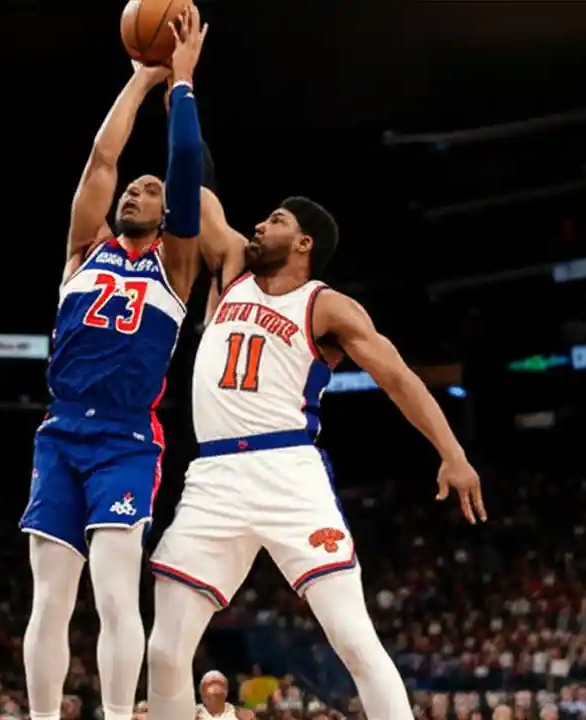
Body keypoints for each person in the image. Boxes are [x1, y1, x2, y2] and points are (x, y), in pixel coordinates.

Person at [146, 193, 486, 720]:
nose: (258, 225)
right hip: (212, 477)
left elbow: (397, 377)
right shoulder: (233, 267)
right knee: (165, 649)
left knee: (353, 638)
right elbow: (200, 194)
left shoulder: (326, 305)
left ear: (304, 243)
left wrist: (452, 452)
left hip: (287, 471)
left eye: (275, 220)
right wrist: (179, 116)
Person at [18, 8, 210, 720]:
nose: (134, 189)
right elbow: (101, 159)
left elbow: (185, 168)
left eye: (149, 190)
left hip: (127, 436)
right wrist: (138, 81)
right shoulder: (83, 251)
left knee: (114, 591)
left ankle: (116, 714)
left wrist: (182, 84)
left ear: (168, 217)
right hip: (61, 429)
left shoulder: (176, 267)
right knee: (51, 595)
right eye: (133, 188)